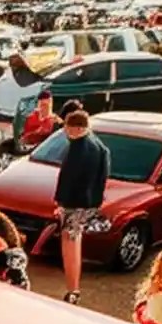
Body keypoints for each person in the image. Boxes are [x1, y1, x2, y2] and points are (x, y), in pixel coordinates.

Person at [53, 111, 108, 305]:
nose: (66, 133)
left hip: (73, 204)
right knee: (76, 241)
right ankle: (74, 288)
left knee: (70, 245)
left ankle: (72, 289)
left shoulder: (78, 148)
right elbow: (102, 178)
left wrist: (60, 203)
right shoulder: (100, 147)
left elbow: (68, 178)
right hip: (89, 204)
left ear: (76, 128)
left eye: (68, 129)